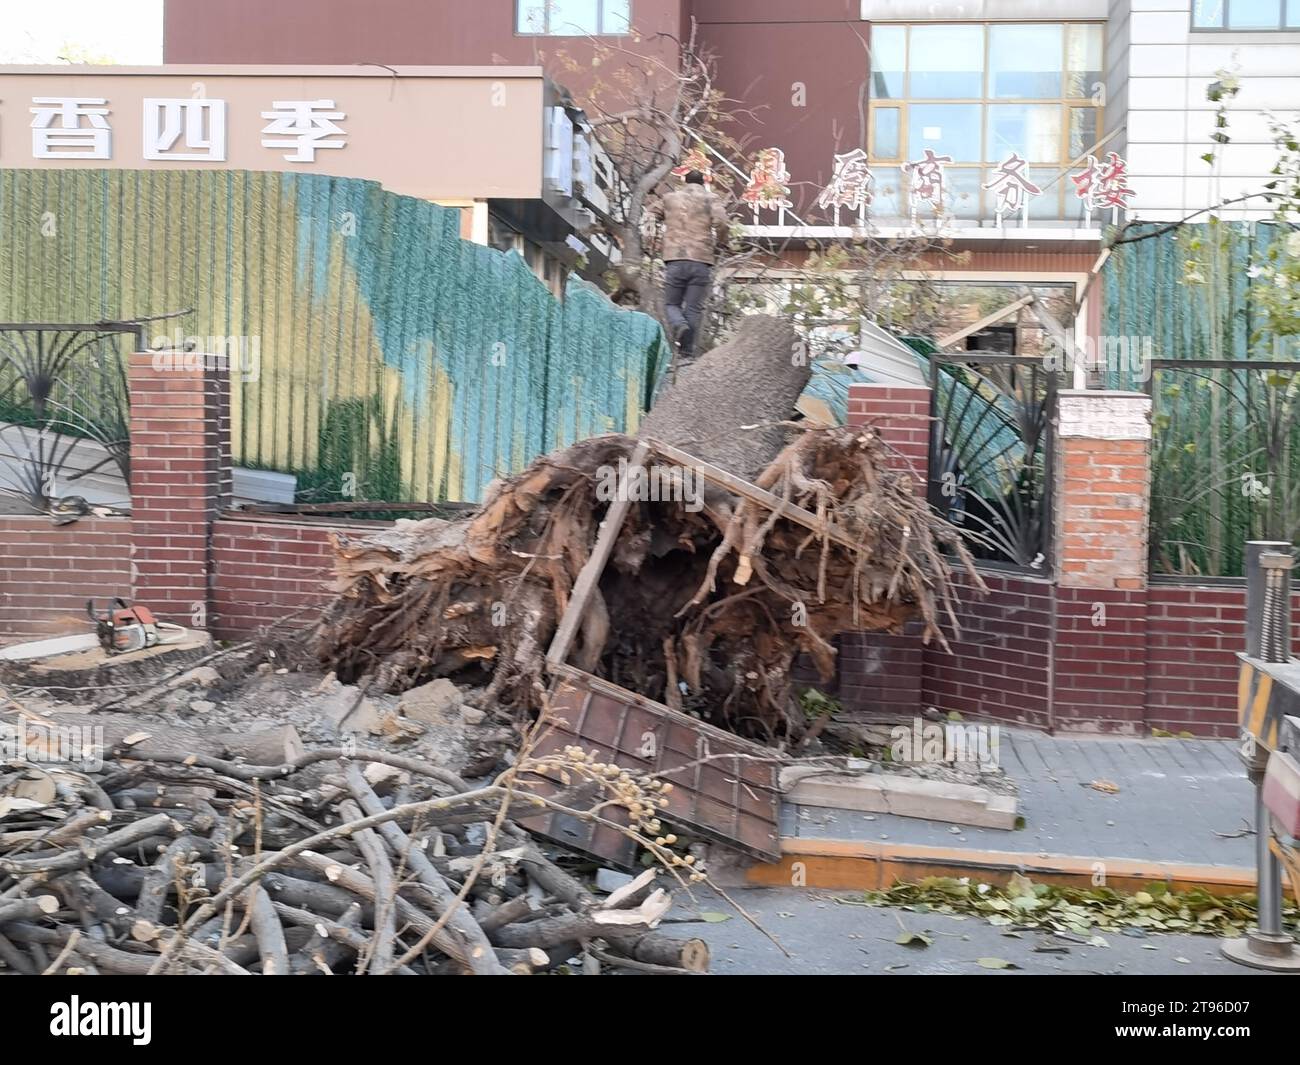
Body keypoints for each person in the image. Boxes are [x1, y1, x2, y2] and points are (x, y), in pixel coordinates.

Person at [649, 170, 730, 368]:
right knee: (693, 308)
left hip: (674, 259)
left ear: (684, 182)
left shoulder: (670, 198)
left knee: (671, 305)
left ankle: (678, 324)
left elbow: (650, 213)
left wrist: (653, 236)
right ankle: (687, 354)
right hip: (701, 260)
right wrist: (721, 243)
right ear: (704, 183)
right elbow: (722, 223)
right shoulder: (711, 199)